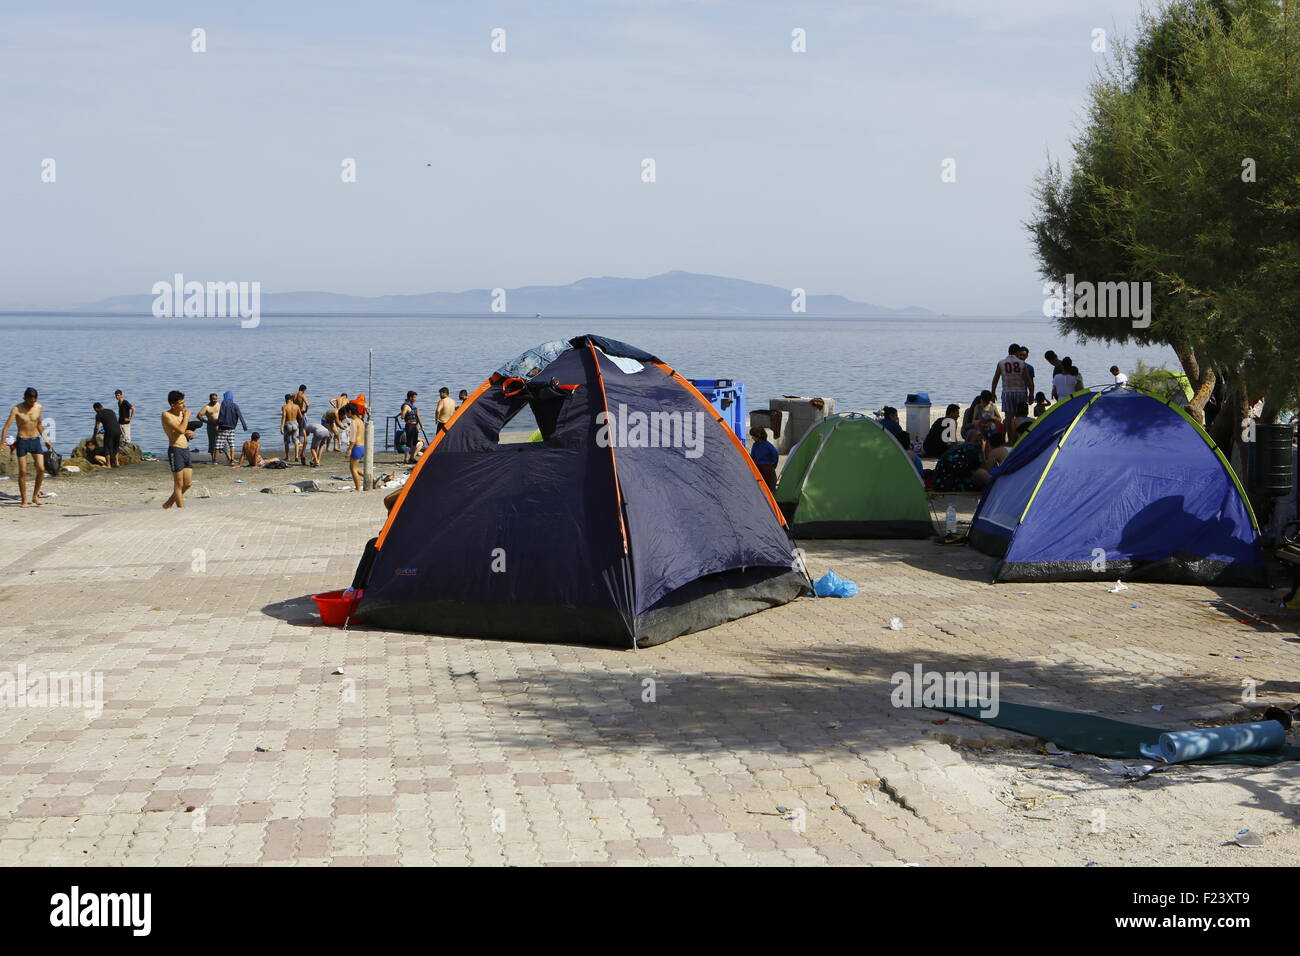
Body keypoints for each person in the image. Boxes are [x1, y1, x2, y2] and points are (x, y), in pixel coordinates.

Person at [3, 387, 52, 508]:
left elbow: (39, 425)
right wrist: (1, 443)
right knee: (23, 471)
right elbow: (6, 427)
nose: (32, 404)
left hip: (35, 440)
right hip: (22, 441)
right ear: (24, 398)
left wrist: (46, 440)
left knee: (41, 469)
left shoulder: (38, 407)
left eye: (34, 401)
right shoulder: (16, 409)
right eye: (30, 401)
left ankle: (35, 496)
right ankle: (24, 499)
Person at [161, 390, 195, 509]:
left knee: (188, 483)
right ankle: (181, 510)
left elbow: (182, 431)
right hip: (175, 450)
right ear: (173, 405)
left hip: (185, 449)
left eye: (184, 402)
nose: (184, 405)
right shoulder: (166, 415)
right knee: (179, 484)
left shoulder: (181, 414)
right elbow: (179, 430)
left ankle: (168, 504)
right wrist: (186, 417)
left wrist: (190, 433)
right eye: (181, 403)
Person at [990, 343, 1030, 418]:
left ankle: (1009, 430)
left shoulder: (1001, 363)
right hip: (1020, 392)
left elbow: (996, 379)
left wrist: (993, 392)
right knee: (1020, 415)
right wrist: (1031, 393)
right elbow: (1028, 380)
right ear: (1017, 352)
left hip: (1007, 392)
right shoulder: (1022, 363)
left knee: (1008, 417)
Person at [215, 390, 247, 466]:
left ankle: (215, 460)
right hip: (232, 428)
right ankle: (232, 460)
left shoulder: (223, 403)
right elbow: (240, 416)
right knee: (232, 444)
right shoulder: (235, 405)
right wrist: (244, 426)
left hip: (223, 427)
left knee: (218, 445)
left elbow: (221, 415)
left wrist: (218, 423)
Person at [341, 403, 365, 491]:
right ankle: (372, 479)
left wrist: (349, 449)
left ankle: (358, 488)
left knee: (353, 469)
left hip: (356, 447)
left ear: (350, 412)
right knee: (355, 467)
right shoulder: (360, 420)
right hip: (362, 446)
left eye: (347, 413)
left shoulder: (354, 422)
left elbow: (353, 438)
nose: (346, 415)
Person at [748, 426, 779, 492]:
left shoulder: (768, 446)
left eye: (753, 436)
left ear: (758, 436)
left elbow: (775, 455)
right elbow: (752, 457)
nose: (752, 438)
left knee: (768, 489)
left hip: (767, 471)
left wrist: (772, 466)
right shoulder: (755, 445)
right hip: (759, 470)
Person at [91, 401, 122, 467]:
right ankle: (117, 463)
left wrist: (94, 436)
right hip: (118, 430)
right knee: (116, 447)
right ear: (101, 406)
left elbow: (97, 427)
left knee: (107, 448)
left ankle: (108, 464)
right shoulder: (111, 411)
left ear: (96, 409)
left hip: (110, 432)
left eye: (95, 410)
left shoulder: (98, 414)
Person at [399, 391, 425, 464]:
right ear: (410, 397)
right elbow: (402, 416)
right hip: (409, 426)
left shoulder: (414, 407)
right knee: (408, 443)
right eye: (414, 397)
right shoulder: (406, 406)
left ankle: (412, 458)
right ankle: (406, 458)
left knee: (414, 442)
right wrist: (405, 414)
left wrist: (421, 425)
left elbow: (418, 416)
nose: (415, 399)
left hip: (415, 426)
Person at [198, 393, 221, 463]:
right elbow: (199, 415)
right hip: (210, 426)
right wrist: (206, 422)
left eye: (216, 399)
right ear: (210, 399)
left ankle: (218, 458)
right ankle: (213, 459)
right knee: (212, 442)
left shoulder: (219, 405)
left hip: (219, 425)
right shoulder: (207, 407)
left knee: (220, 441)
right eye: (213, 399)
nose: (215, 400)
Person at [279, 394, 303, 462]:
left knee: (287, 442)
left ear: (286, 399)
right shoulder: (297, 406)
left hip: (287, 424)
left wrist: (281, 426)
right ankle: (296, 456)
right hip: (295, 423)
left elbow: (284, 416)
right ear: (291, 399)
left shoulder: (284, 407)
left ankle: (288, 457)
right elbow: (301, 416)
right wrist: (300, 424)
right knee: (296, 441)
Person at [292, 385, 310, 464]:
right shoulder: (302, 395)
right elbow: (307, 404)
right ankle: (302, 443)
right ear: (304, 389)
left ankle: (298, 442)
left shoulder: (294, 395)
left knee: (298, 428)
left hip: (296, 414)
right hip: (302, 413)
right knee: (303, 429)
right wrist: (305, 411)